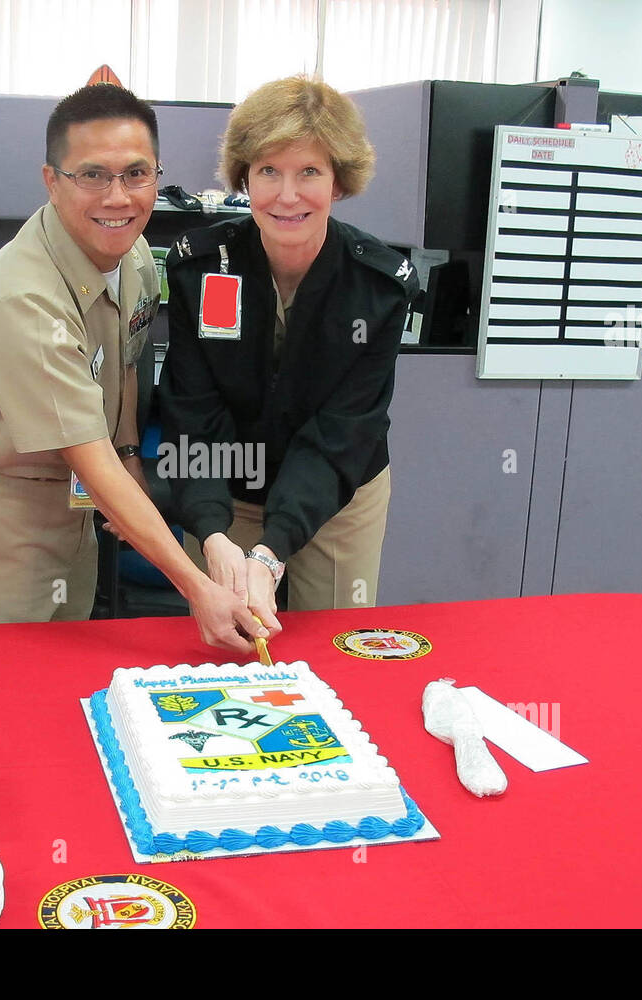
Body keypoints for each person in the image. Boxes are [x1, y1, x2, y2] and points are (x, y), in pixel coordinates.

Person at [0, 83, 276, 653]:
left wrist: (132, 453)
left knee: (67, 677)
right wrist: (196, 587)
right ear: (51, 181)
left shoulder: (132, 255)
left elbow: (123, 366)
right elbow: (86, 458)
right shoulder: (23, 301)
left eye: (136, 174)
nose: (118, 197)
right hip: (2, 519)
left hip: (76, 506)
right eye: (92, 175)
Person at [162, 75, 418, 621]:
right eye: (268, 172)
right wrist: (210, 529)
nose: (287, 195)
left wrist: (274, 548)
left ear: (339, 182)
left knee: (332, 641)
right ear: (244, 178)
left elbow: (343, 431)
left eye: (310, 172)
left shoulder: (377, 288)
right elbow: (193, 413)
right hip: (227, 482)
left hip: (338, 488)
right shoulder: (200, 269)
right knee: (225, 643)